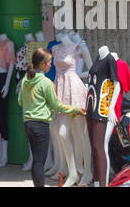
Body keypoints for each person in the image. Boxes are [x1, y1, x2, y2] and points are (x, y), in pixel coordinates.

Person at [17, 48, 84, 188]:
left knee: (36, 160)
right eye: (48, 62)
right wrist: (76, 109)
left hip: (28, 124)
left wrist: (33, 101)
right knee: (40, 162)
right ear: (41, 64)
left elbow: (20, 101)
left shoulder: (25, 80)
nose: (50, 65)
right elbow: (57, 106)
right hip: (40, 125)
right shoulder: (46, 83)